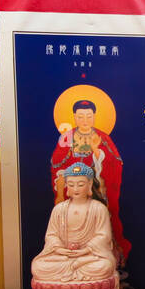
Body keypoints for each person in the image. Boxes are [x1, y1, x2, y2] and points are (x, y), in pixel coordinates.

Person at [30, 164, 121, 289]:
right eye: (71, 184)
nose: (76, 188)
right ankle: (73, 270)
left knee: (103, 266)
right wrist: (59, 248)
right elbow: (51, 235)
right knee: (38, 266)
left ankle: (75, 268)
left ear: (90, 184)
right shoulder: (59, 209)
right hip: (62, 256)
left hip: (90, 257)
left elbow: (103, 236)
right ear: (66, 186)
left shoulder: (98, 208)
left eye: (81, 184)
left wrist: (85, 250)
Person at [51, 99, 128, 263]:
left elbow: (115, 165)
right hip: (71, 192)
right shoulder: (66, 138)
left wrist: (95, 150)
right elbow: (57, 167)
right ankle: (70, 256)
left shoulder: (103, 137)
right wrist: (60, 192)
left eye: (88, 116)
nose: (84, 121)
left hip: (96, 191)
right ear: (74, 117)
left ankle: (103, 255)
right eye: (80, 117)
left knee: (103, 217)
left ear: (94, 116)